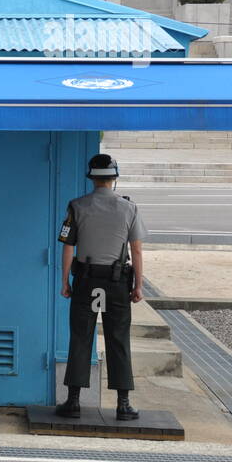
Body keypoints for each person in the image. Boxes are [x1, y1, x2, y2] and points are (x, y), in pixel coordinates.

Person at [56, 154, 146, 420]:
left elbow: (68, 247)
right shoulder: (129, 208)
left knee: (81, 337)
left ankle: (73, 401)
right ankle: (123, 403)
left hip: (85, 281)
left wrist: (65, 282)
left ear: (92, 178)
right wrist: (138, 286)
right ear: (114, 177)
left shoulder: (76, 206)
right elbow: (137, 251)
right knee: (118, 339)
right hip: (117, 283)